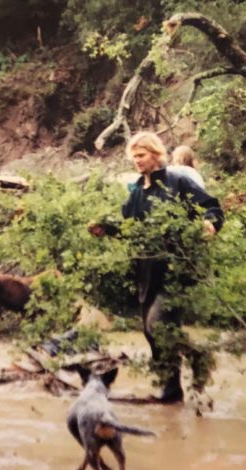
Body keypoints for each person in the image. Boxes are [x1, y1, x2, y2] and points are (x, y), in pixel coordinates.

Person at [89, 132, 223, 403]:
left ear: (156, 154)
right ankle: (172, 389)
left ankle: (197, 357)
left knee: (157, 324)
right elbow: (129, 229)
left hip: (175, 271)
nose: (137, 161)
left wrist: (210, 222)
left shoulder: (177, 182)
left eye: (142, 155)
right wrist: (106, 228)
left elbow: (211, 206)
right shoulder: (137, 191)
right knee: (151, 331)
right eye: (134, 157)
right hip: (145, 271)